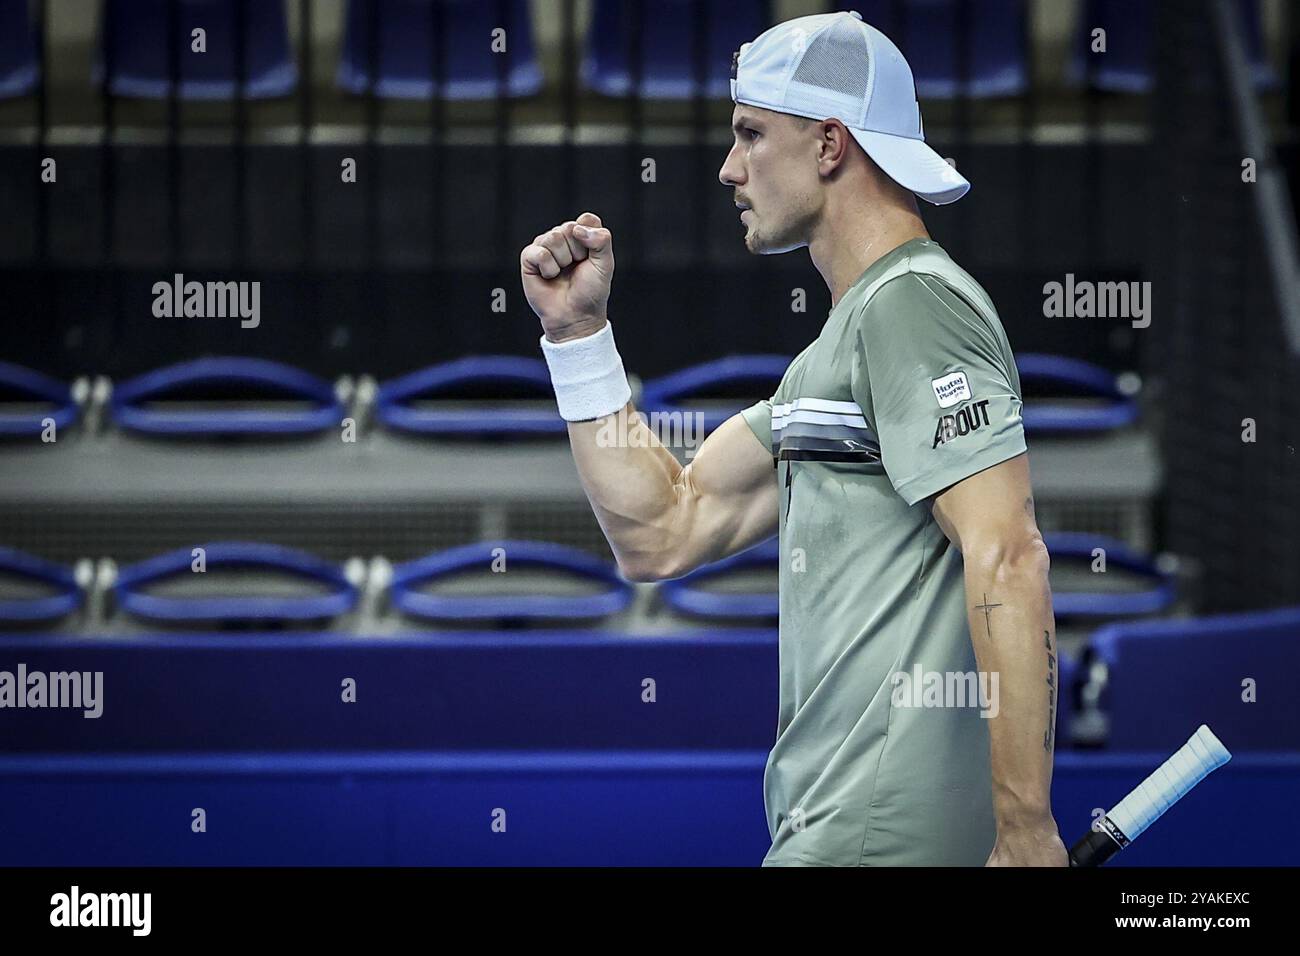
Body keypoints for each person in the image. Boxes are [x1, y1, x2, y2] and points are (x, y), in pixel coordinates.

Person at [520, 10, 1066, 866]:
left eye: (750, 133)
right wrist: (579, 338)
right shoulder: (839, 352)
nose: (730, 168)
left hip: (874, 838)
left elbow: (1008, 556)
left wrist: (1027, 830)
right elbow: (665, 528)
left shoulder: (915, 305)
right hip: (834, 833)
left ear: (829, 145)